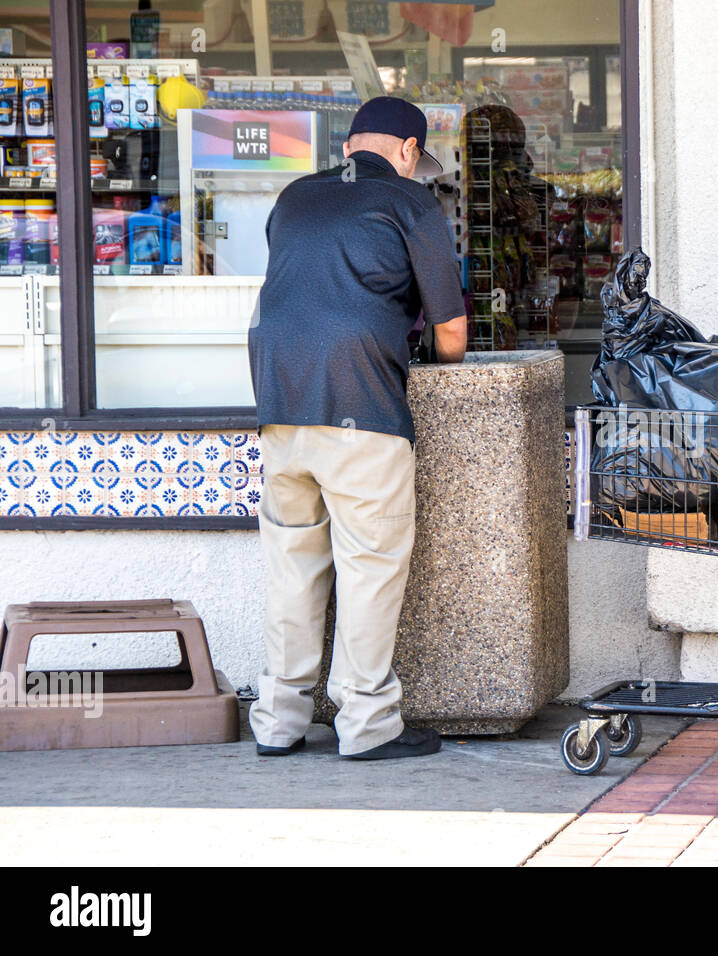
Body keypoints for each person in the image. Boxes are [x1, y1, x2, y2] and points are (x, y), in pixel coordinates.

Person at [247, 96, 467, 760]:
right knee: (369, 565)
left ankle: (278, 721)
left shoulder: (293, 197)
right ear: (406, 150)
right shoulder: (410, 202)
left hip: (280, 403)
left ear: (348, 146)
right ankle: (367, 726)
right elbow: (452, 333)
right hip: (361, 404)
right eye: (415, 159)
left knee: (292, 565)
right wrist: (432, 352)